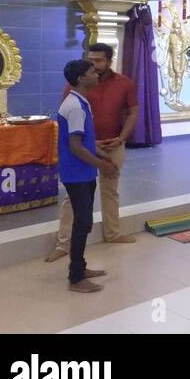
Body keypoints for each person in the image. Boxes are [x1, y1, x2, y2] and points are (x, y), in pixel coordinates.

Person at [46, 44, 138, 263]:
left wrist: (121, 138)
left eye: (99, 60)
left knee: (110, 190)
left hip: (113, 144)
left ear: (109, 60)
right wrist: (93, 147)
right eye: (91, 61)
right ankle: (64, 244)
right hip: (86, 147)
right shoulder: (75, 89)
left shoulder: (123, 83)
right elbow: (70, 125)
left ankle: (112, 233)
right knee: (74, 197)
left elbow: (133, 112)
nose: (95, 66)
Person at [57, 60, 117, 293]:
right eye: (92, 71)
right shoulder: (75, 107)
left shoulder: (80, 102)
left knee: (85, 221)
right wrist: (102, 165)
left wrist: (101, 154)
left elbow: (86, 141)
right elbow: (76, 147)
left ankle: (80, 268)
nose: (97, 73)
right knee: (82, 223)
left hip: (83, 171)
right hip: (77, 172)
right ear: (82, 78)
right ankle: (75, 278)